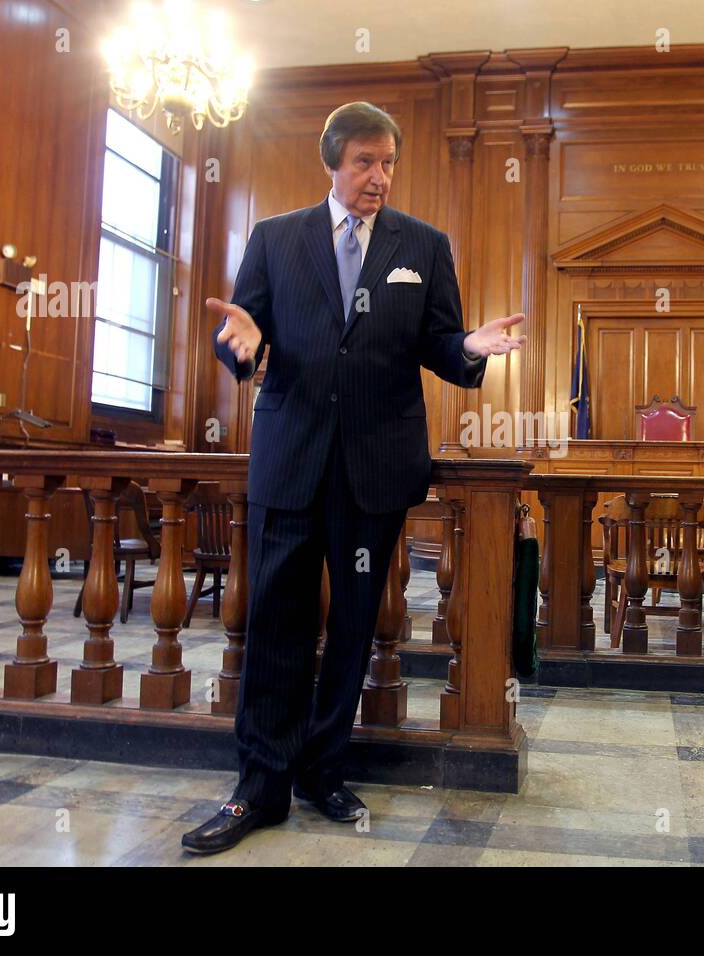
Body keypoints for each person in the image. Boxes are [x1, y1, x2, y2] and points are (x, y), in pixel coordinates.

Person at [182, 101, 525, 854]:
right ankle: (259, 786)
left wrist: (468, 342)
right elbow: (244, 331)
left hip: (374, 467)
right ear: (332, 162)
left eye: (390, 161)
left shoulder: (423, 246)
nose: (380, 176)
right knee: (276, 623)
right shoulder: (275, 238)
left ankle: (324, 771)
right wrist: (237, 345)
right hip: (291, 460)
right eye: (367, 161)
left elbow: (441, 340)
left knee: (353, 630)